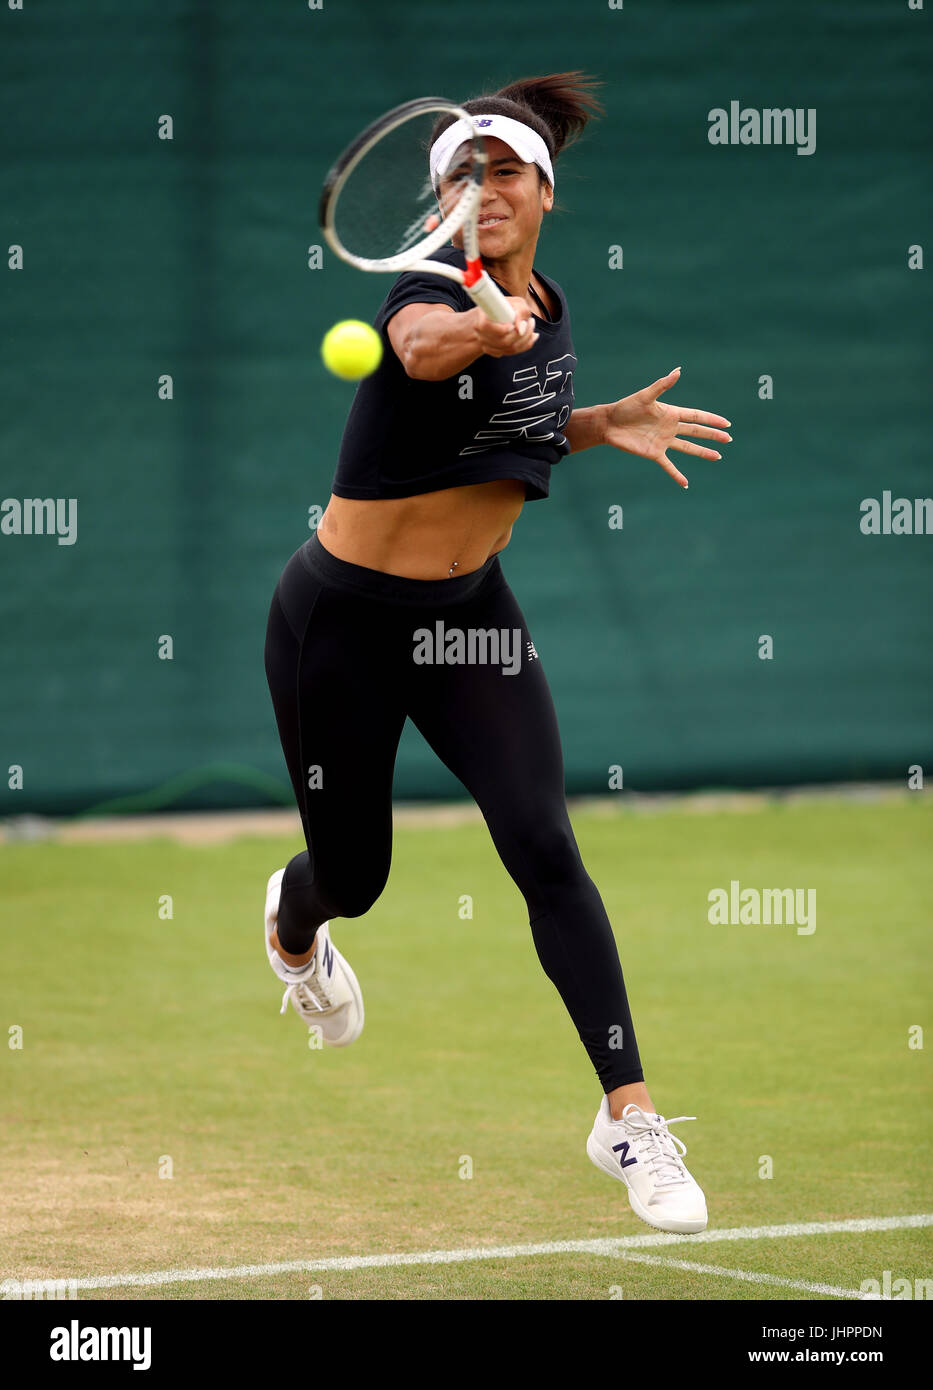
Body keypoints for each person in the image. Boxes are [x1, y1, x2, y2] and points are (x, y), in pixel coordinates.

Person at [263, 71, 732, 1235]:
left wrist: (597, 420)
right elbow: (426, 352)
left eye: (505, 172)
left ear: (545, 190)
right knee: (355, 876)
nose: (484, 191)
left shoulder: (555, 308)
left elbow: (507, 427)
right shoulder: (426, 291)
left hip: (472, 618)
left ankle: (627, 1115)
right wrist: (480, 322)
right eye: (461, 177)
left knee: (544, 841)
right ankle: (292, 920)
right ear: (439, 203)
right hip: (340, 623)